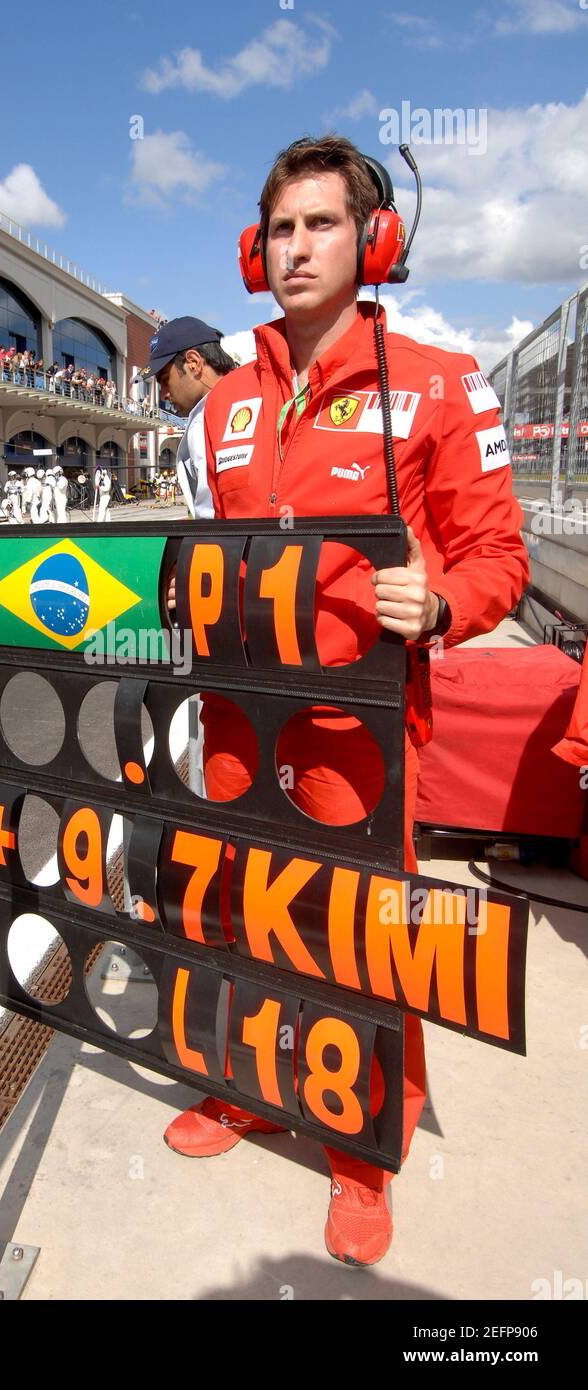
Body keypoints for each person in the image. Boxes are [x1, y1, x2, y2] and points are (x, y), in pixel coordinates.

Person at [162, 133, 530, 1268]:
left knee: (363, 939)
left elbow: (496, 555)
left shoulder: (438, 381)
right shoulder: (222, 397)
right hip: (236, 722)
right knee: (237, 911)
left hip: (358, 733)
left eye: (322, 223)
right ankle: (248, 1087)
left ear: (375, 241)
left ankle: (363, 1152)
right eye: (280, 227)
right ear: (251, 250)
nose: (297, 246)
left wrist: (446, 600)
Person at [141, 318, 236, 519]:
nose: (164, 394)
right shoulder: (250, 395)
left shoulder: (210, 417)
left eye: (166, 381)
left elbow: (211, 518)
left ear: (193, 363)